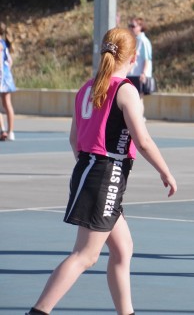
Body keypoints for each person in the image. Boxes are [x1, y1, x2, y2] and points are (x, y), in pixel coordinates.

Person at [26, 27, 177, 315]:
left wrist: (89, 167)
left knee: (122, 249)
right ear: (133, 58)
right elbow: (142, 140)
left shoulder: (87, 87)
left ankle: (126, 312)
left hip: (91, 168)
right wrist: (165, 171)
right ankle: (39, 311)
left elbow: (74, 138)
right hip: (105, 173)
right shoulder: (125, 90)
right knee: (86, 255)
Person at [126, 17, 153, 97]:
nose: (130, 28)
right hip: (131, 74)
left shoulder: (143, 41)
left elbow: (147, 59)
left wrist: (143, 73)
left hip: (139, 75)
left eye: (133, 26)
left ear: (140, 27)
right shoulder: (133, 40)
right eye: (129, 26)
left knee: (138, 98)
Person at [0, 21, 16, 141]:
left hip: (1, 77)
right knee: (7, 104)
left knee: (6, 104)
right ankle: (10, 132)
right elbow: (9, 61)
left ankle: (3, 129)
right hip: (6, 77)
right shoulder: (4, 43)